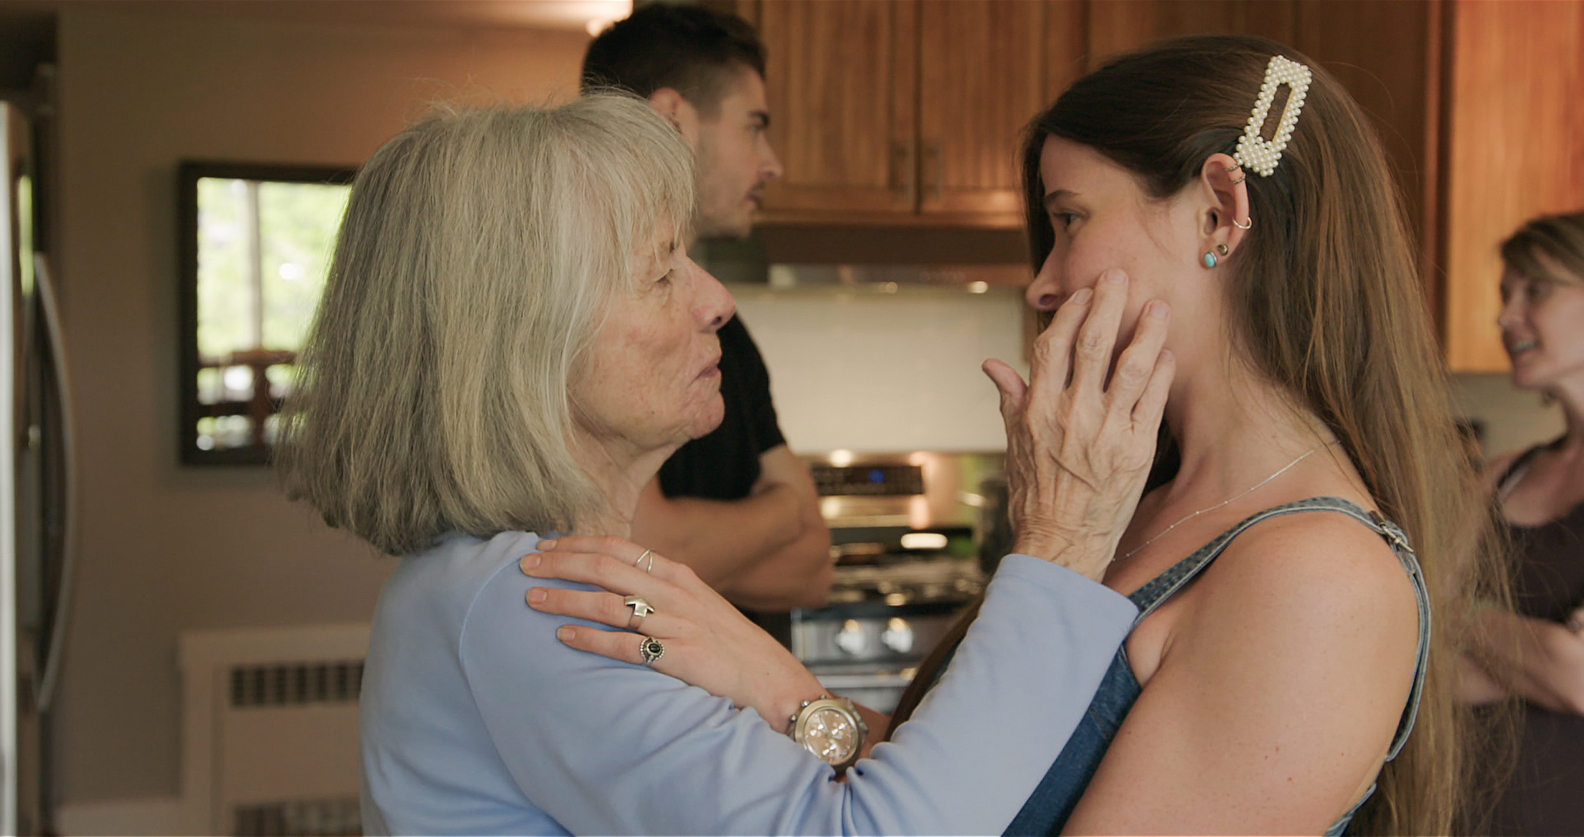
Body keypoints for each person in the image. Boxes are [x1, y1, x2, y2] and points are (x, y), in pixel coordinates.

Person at [529, 35, 1508, 836]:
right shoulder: (1140, 504)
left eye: (1069, 219)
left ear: (1221, 208)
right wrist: (774, 681)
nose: (1041, 285)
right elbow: (975, 792)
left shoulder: (1318, 580)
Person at [275, 93, 1177, 835]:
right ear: (520, 340)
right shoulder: (536, 597)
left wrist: (787, 689)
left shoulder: (516, 579)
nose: (716, 300)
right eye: (662, 270)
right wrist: (1063, 538)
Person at [581, 3, 832, 611]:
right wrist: (781, 509)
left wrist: (678, 552)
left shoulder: (730, 332)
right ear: (673, 118)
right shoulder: (586, 314)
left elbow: (814, 570)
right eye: (754, 125)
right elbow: (623, 545)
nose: (772, 162)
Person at [1460, 210, 1584, 836]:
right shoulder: (1500, 475)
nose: (1505, 317)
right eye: (1505, 294)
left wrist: (1464, 619)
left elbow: (1576, 675)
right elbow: (1413, 651)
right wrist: (1536, 648)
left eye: (1535, 290)